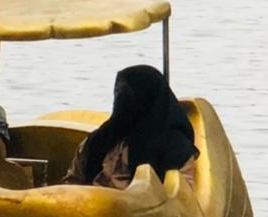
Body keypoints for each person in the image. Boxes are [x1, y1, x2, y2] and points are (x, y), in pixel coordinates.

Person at [63, 65, 199, 189]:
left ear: (147, 98)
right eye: (119, 95)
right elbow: (72, 183)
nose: (123, 101)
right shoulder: (97, 141)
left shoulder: (176, 150)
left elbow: (179, 200)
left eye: (129, 95)